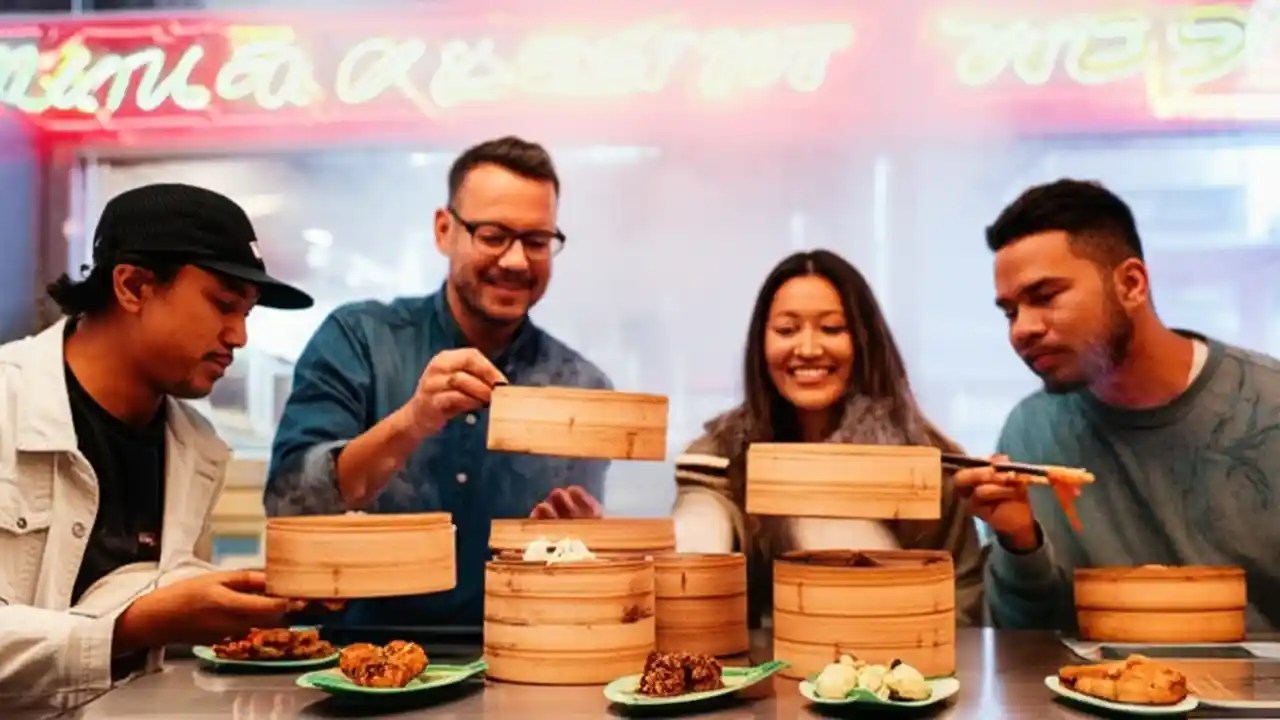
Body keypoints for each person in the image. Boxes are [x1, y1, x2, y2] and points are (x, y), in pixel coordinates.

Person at [265, 136, 612, 628]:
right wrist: (411, 422)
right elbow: (288, 504)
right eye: (493, 235)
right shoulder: (359, 340)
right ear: (445, 230)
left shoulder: (583, 388)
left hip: (516, 661)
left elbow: (579, 569)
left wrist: (581, 545)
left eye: (536, 241)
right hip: (353, 668)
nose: (515, 261)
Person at [0, 183, 315, 711]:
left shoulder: (196, 449)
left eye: (247, 313)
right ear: (133, 286)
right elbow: (136, 619)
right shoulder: (8, 404)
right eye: (222, 304)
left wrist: (241, 597)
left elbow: (146, 600)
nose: (238, 336)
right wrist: (133, 626)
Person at [958, 178, 1280, 633]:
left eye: (1045, 297)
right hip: (1096, 698)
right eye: (1010, 312)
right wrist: (1019, 541)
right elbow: (1024, 643)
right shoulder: (1031, 433)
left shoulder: (1266, 406)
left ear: (1131, 284)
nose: (1022, 329)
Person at [673, 250, 986, 626]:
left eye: (833, 328)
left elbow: (964, 598)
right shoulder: (717, 457)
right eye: (787, 330)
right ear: (761, 345)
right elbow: (691, 579)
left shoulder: (928, 462)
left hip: (893, 671)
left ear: (865, 341)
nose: (807, 349)